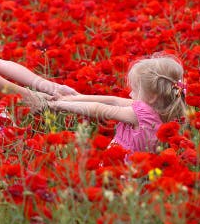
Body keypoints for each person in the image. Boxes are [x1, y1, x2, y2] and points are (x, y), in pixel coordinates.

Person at [48, 55, 187, 153]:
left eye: (135, 90)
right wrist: (76, 97)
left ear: (152, 97)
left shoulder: (141, 114)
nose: (131, 94)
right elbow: (113, 100)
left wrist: (60, 105)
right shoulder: (160, 111)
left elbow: (99, 109)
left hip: (122, 172)